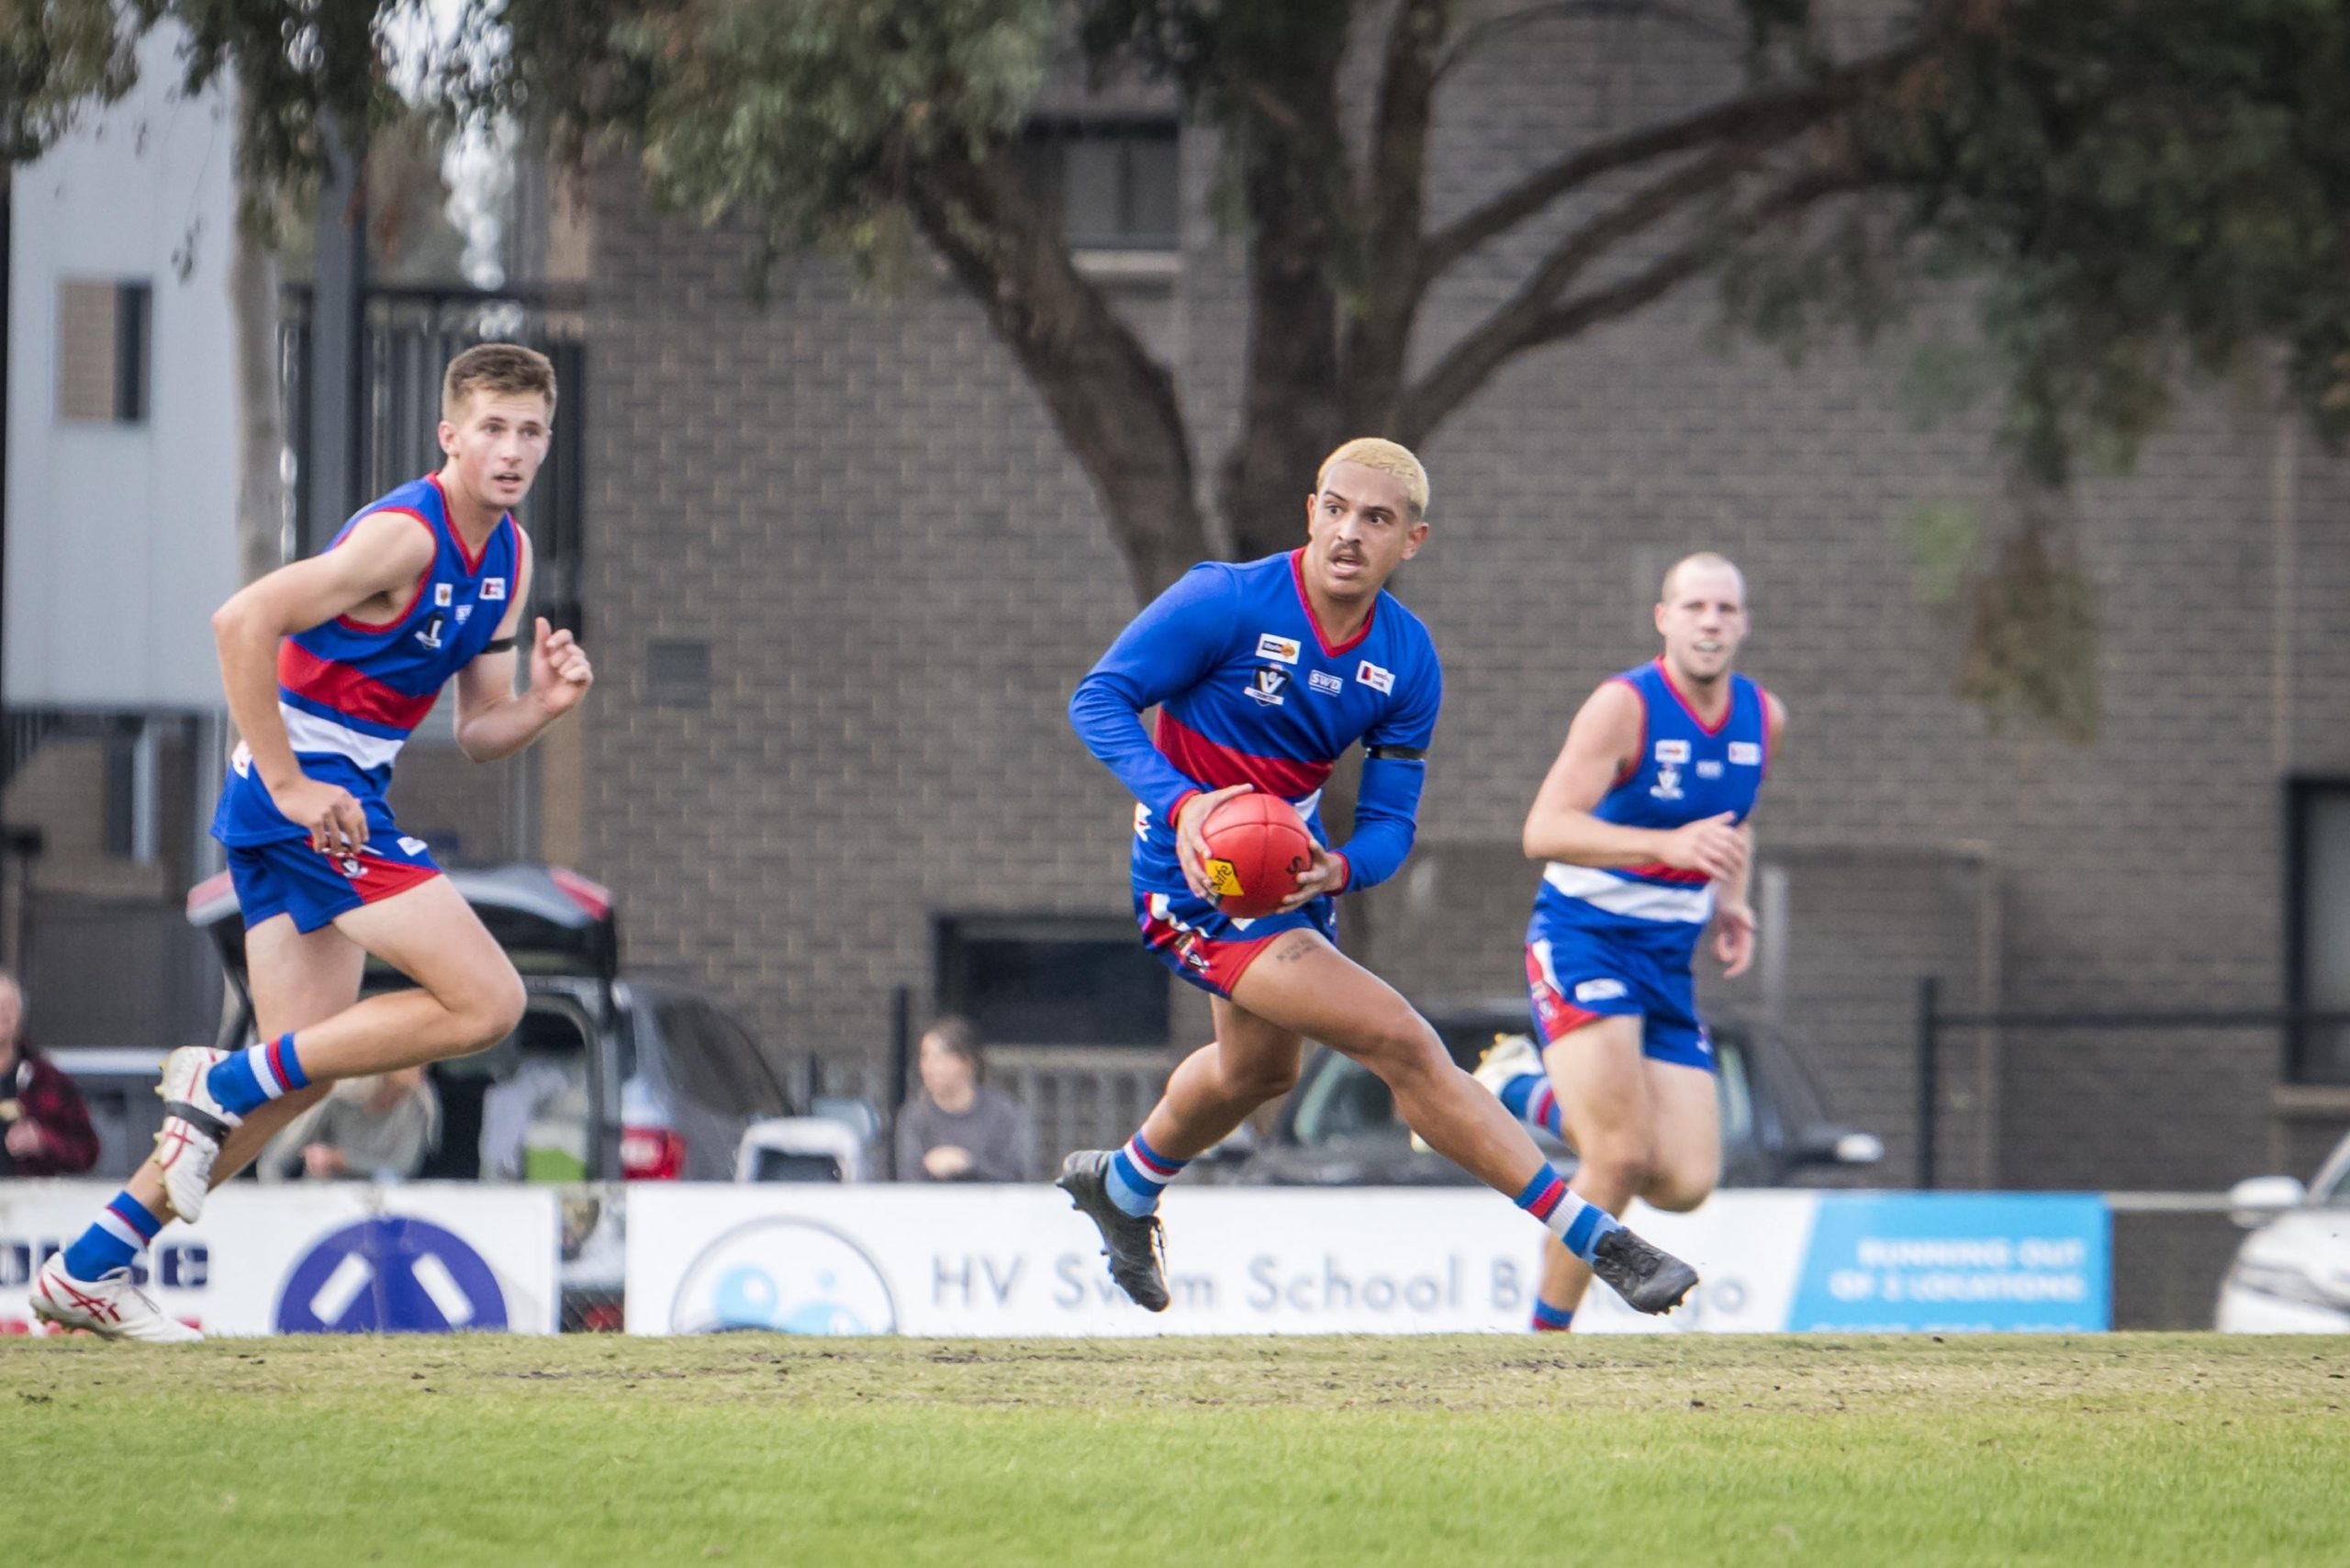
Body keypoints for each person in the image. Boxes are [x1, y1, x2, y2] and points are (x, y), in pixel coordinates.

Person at [1057, 437, 1696, 1316]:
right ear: (1311, 511)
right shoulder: (1224, 599)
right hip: (1190, 879)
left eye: (1377, 518)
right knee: (1398, 1038)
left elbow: (1393, 825)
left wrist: (1341, 868)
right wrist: (1185, 805)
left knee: (1257, 1075)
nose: (1349, 532)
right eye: (1335, 508)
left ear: (1412, 542)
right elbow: (1097, 699)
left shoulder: (1406, 658)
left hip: (1285, 879)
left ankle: (1123, 1188)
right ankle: (1601, 1239)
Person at [31, 343, 594, 1341]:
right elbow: (240, 619)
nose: (512, 449)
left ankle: (88, 1266)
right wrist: (290, 779)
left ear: (548, 441)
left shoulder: (509, 560)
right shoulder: (402, 538)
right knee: (491, 1000)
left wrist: (545, 707)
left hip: (328, 801)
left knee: (306, 1067)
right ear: (449, 436)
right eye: (493, 428)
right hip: (301, 797)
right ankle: (223, 1076)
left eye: (530, 431)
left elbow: (475, 731)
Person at [1477, 551, 1784, 1330]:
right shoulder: (1625, 706)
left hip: (1667, 961)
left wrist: (1734, 902)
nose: (1710, 622)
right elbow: (1543, 829)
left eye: (1724, 609)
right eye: (1694, 607)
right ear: (1664, 619)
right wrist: (1665, 847)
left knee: (1683, 1179)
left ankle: (1516, 1086)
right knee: (1616, 1156)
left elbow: (1731, 824)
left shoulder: (1762, 717)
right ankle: (1546, 1344)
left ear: (1743, 624)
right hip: (1585, 939)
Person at [894, 1016, 1035, 1182]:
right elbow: (908, 1178)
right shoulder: (913, 1116)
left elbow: (1018, 1174)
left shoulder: (1005, 1113)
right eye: (925, 1057)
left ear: (968, 1063)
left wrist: (968, 1165)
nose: (930, 1066)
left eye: (941, 1057)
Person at [257, 1066, 440, 1182]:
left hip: (380, 1208)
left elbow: (403, 1165)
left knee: (389, 1178)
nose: (419, 1067)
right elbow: (274, 1162)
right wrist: (278, 1205)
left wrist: (341, 1159)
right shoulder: (335, 1096)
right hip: (320, 1201)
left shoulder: (418, 1104)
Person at [0, 968, 99, 1178]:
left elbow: (88, 1151)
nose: (2, 1013)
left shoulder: (48, 1079)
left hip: (29, 1204)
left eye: (9, 1005)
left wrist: (43, 1140)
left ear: (20, 1014)